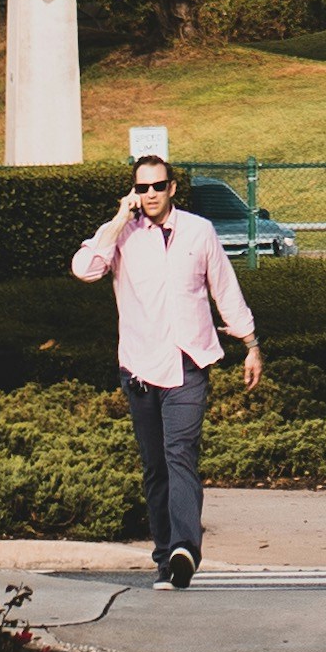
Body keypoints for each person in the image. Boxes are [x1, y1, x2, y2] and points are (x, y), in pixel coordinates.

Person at [71, 153, 262, 586]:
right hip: (139, 366)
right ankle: (164, 558)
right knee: (154, 465)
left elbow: (225, 290)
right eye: (142, 188)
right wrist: (119, 219)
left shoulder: (200, 231)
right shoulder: (123, 235)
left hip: (188, 361)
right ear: (134, 192)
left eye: (158, 186)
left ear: (172, 188)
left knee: (181, 455)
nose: (151, 194)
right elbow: (85, 269)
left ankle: (184, 549)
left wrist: (250, 344)